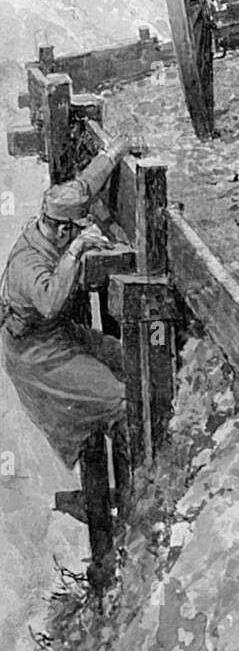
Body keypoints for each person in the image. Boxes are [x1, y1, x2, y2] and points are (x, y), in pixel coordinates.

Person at [0, 134, 139, 472]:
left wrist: (114, 153)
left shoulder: (58, 213)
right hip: (37, 354)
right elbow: (49, 302)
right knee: (121, 402)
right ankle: (141, 486)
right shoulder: (27, 264)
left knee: (131, 361)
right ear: (62, 232)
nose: (81, 235)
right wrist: (76, 252)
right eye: (77, 232)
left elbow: (83, 185)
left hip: (57, 334)